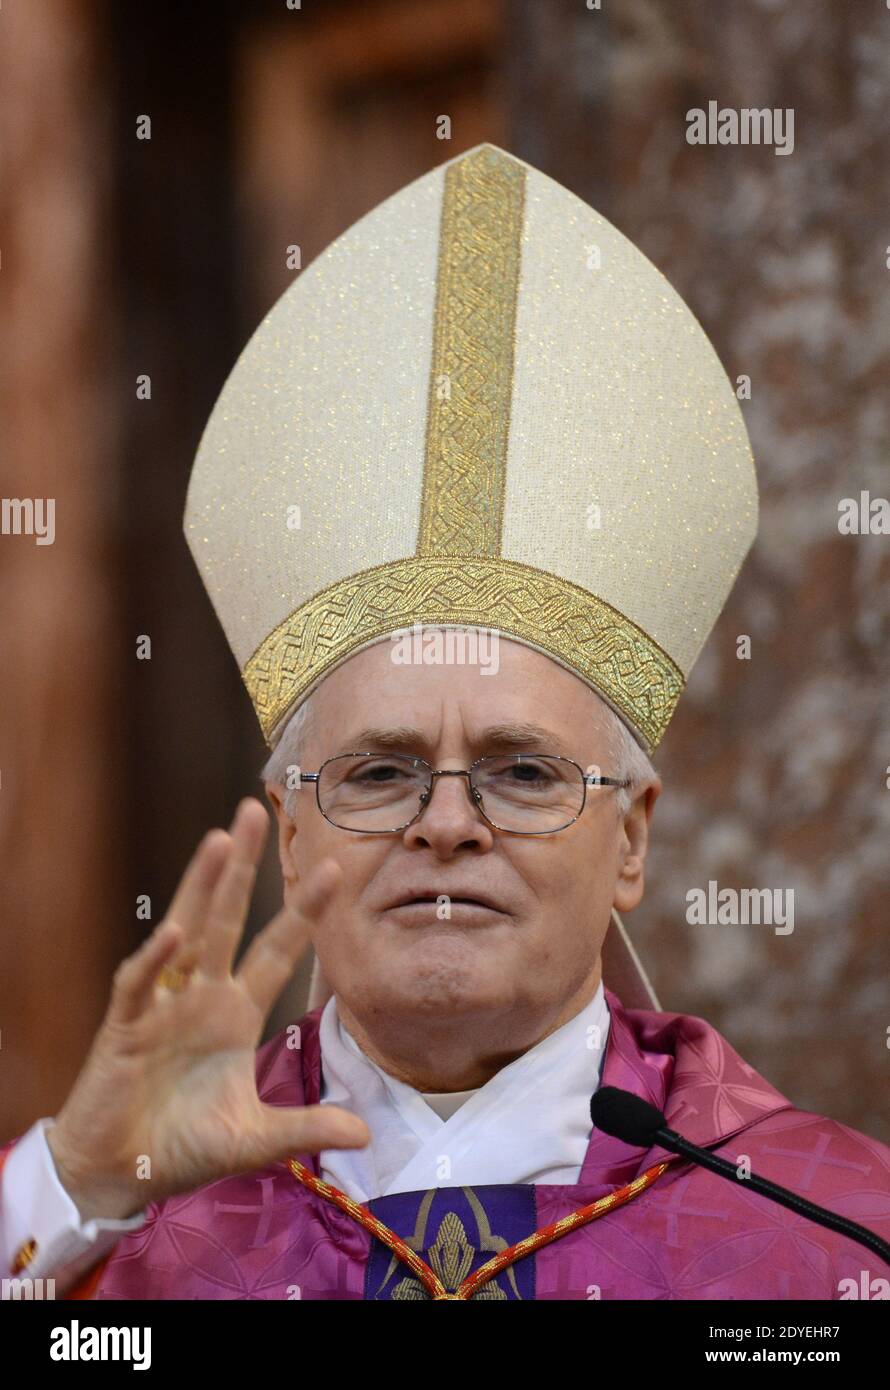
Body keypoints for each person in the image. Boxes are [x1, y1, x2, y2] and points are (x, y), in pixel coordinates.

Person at [2, 145, 888, 1301]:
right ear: (296, 830)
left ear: (630, 838)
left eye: (522, 772)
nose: (447, 825)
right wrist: (78, 1180)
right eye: (379, 773)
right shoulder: (121, 1225)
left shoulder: (822, 1238)